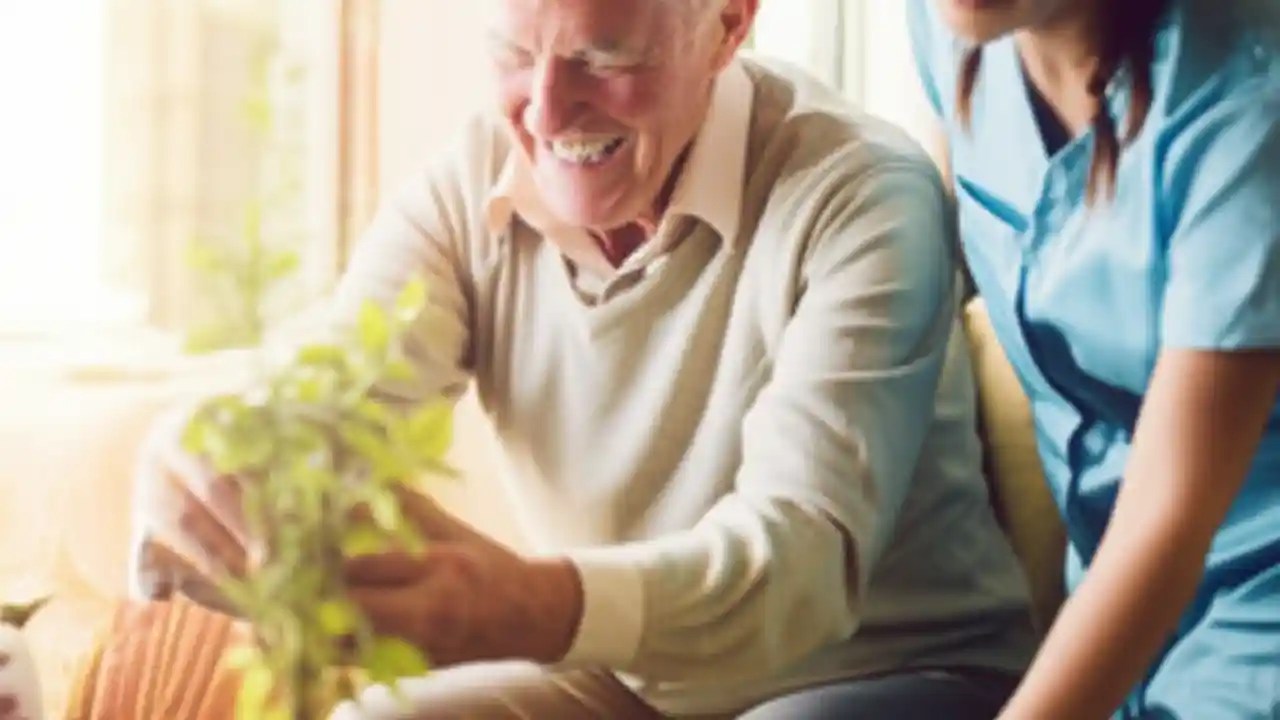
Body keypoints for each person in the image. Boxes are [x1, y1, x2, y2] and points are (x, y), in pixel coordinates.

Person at [132, 0, 1039, 717]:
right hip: (631, 679)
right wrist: (215, 446)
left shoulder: (862, 194)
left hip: (891, 673)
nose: (546, 111)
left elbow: (800, 569)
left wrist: (527, 605)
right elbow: (335, 390)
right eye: (513, 53)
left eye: (605, 59)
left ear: (729, 23)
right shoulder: (471, 186)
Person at [907, 0, 1280, 717]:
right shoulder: (951, 24)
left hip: (1256, 607)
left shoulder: (1245, 99)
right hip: (1104, 611)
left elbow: (1168, 520)